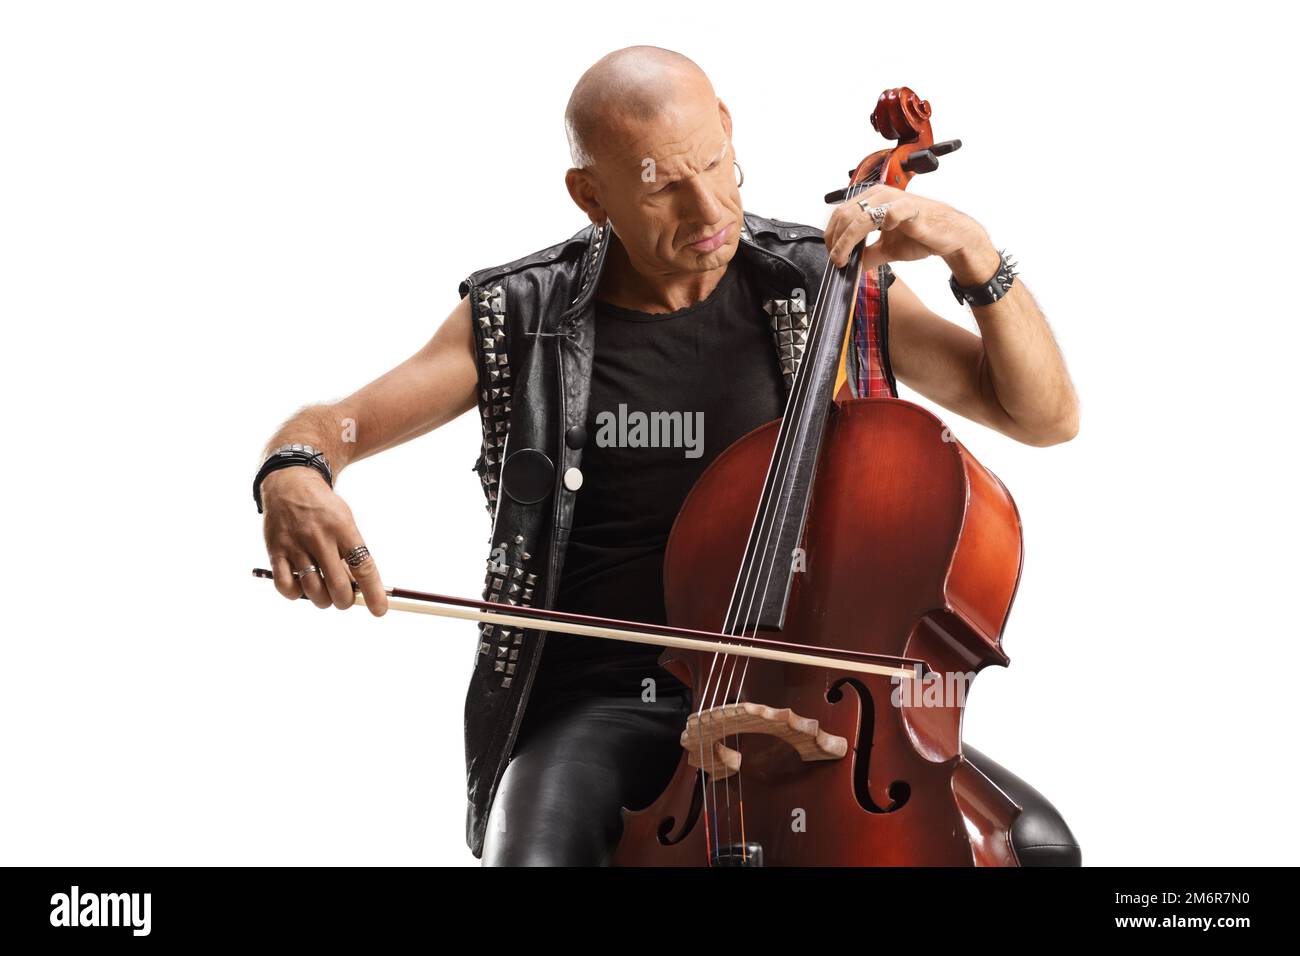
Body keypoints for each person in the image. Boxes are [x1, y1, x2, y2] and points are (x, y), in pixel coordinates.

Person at [254, 46, 1081, 866]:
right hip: (603, 709)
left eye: (715, 165)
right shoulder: (522, 315)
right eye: (660, 187)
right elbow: (337, 423)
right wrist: (294, 468)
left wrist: (974, 255)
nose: (707, 209)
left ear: (728, 129)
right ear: (591, 196)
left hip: (802, 699)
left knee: (1035, 848)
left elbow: (1041, 416)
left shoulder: (820, 284)